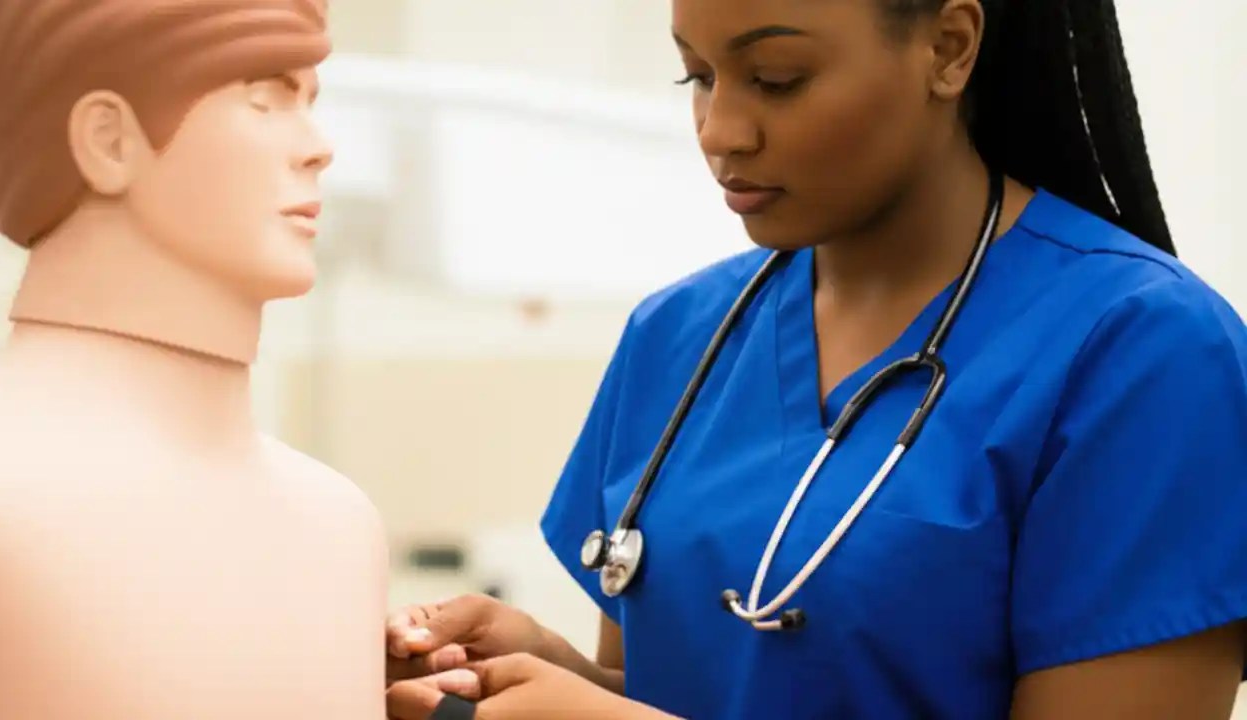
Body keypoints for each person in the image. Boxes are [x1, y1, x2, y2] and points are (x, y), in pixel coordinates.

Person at [386, 0, 1247, 717]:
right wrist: (548, 675)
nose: (721, 131)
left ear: (948, 49)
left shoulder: (1143, 354)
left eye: (776, 80)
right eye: (698, 76)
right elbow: (701, 691)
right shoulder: (679, 335)